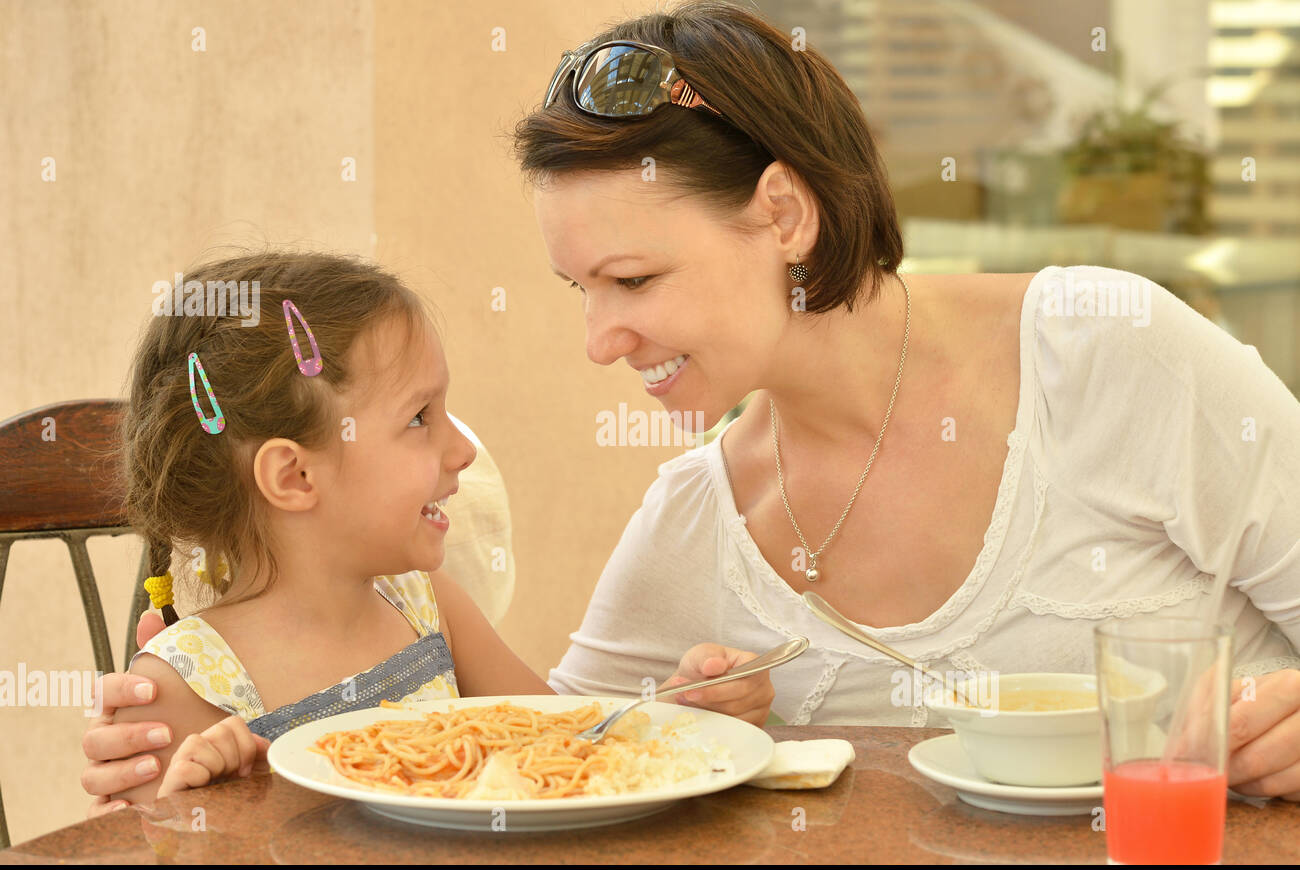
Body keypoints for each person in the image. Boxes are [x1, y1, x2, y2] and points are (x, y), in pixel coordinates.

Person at [86, 1, 1300, 802]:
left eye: (631, 279)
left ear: (783, 213)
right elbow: (554, 752)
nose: (596, 339)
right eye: (574, 287)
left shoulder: (1106, 353)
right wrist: (220, 743)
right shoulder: (694, 524)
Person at [88, 249, 773, 808]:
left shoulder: (423, 602)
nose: (463, 450)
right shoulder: (180, 690)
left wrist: (683, 709)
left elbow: (570, 746)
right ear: (295, 477)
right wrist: (203, 811)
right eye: (420, 418)